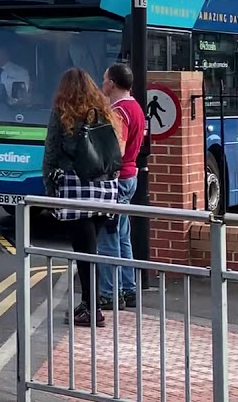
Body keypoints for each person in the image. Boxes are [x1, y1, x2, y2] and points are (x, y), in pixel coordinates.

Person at [43, 68, 125, 327]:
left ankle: (92, 309)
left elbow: (51, 152)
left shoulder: (62, 113)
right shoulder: (104, 111)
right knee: (91, 249)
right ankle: (89, 303)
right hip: (105, 189)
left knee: (84, 252)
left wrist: (49, 190)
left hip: (76, 189)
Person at [96, 63, 145, 309]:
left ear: (112, 83)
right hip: (130, 176)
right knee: (123, 236)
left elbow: (118, 147)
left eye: (104, 79)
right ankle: (129, 289)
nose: (102, 83)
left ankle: (108, 293)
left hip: (117, 179)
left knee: (108, 237)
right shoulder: (136, 107)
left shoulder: (118, 112)